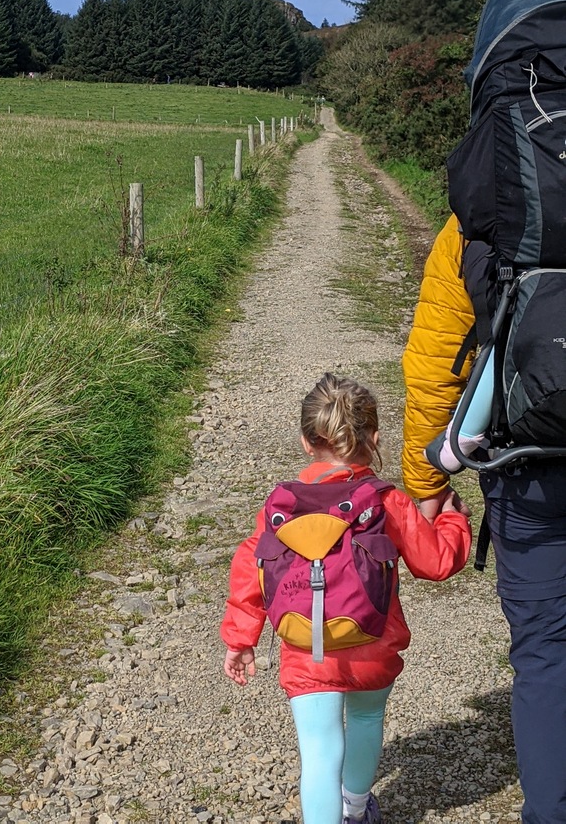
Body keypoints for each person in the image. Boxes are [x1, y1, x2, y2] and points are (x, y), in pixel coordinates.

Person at [221, 372, 472, 824]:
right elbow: (434, 563)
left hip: (306, 648)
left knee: (318, 750)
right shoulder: (384, 500)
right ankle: (355, 810)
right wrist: (453, 520)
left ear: (304, 441)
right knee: (364, 721)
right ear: (374, 438)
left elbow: (249, 571)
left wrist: (241, 639)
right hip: (372, 644)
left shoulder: (280, 505)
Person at [403, 214, 566, 823]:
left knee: (545, 650)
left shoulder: (485, 208)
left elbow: (435, 361)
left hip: (526, 463)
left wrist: (427, 480)